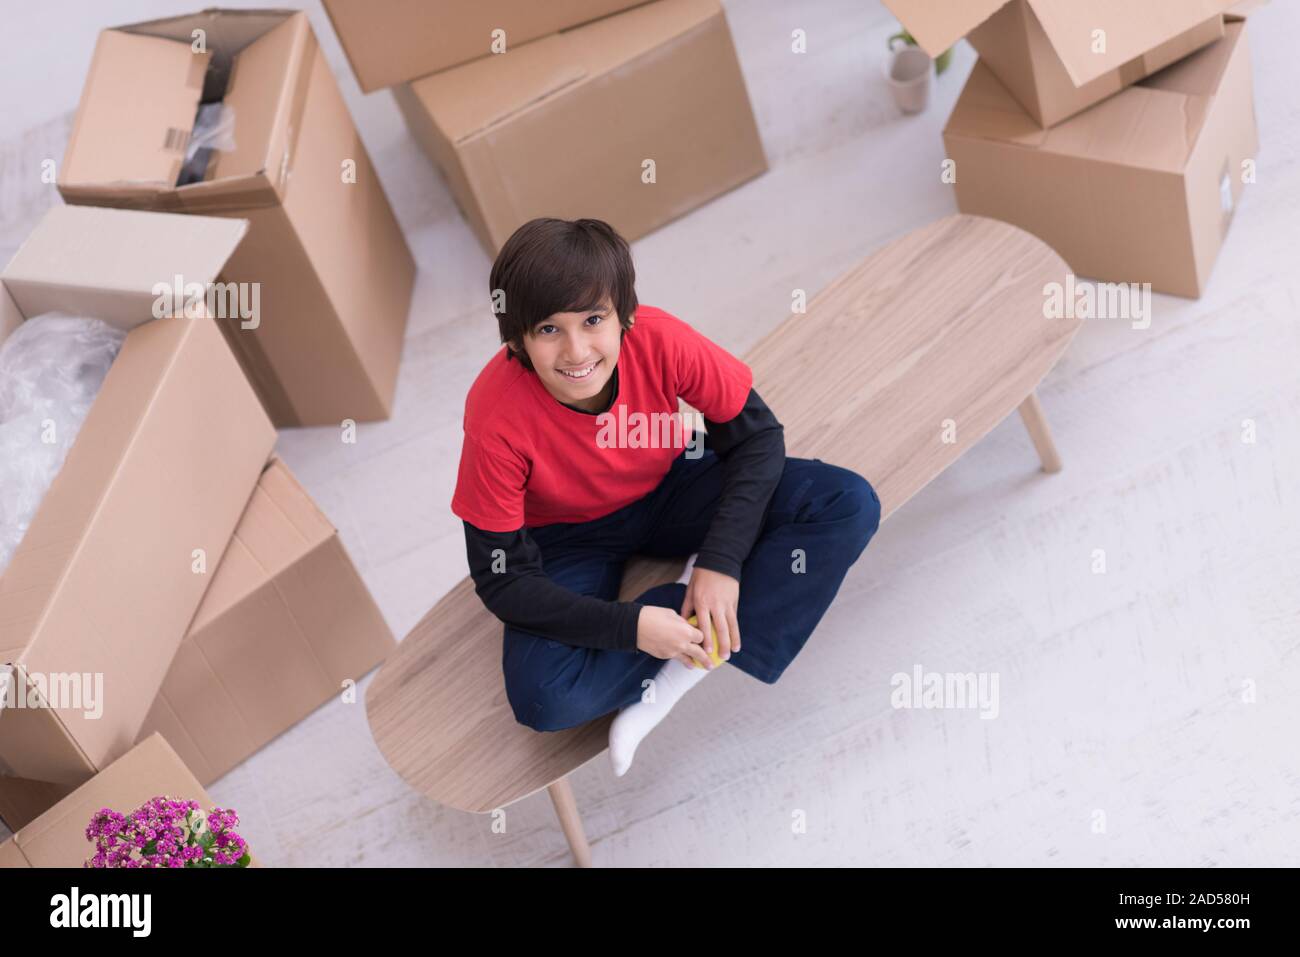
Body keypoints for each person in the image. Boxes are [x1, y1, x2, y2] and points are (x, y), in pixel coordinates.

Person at [451, 217, 881, 776]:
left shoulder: (659, 337)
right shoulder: (495, 415)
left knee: (847, 502)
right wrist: (632, 627)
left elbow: (755, 436)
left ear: (625, 315)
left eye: (594, 320)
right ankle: (682, 625)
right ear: (516, 341)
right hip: (564, 538)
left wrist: (723, 562)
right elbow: (501, 578)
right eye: (548, 330)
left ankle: (688, 655)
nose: (576, 350)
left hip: (670, 482)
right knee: (545, 700)